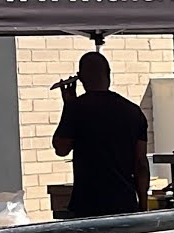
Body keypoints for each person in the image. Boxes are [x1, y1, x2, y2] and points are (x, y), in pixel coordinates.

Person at [52, 52, 149, 217]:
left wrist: (68, 107)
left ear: (81, 78)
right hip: (124, 202)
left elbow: (61, 149)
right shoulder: (133, 111)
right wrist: (143, 205)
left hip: (88, 204)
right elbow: (140, 163)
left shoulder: (77, 109)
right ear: (108, 74)